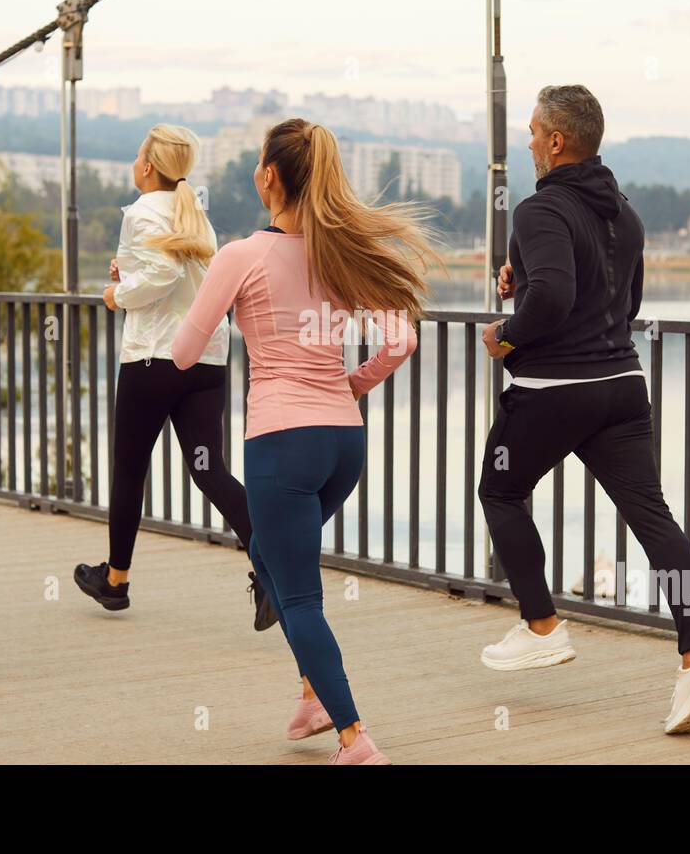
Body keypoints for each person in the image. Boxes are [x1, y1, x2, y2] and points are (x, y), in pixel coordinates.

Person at [172, 118, 437, 764]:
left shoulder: (242, 256)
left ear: (267, 175)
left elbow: (182, 354)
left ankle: (354, 736)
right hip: (343, 442)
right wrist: (354, 382)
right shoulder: (339, 255)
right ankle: (311, 697)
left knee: (296, 594)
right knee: (268, 555)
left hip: (281, 444)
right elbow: (401, 340)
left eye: (259, 162)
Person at [477, 84, 690, 735]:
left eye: (534, 130)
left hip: (552, 392)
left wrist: (505, 335)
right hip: (623, 387)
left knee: (501, 491)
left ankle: (540, 624)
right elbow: (624, 302)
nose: (529, 139)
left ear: (557, 140)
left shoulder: (539, 210)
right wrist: (523, 281)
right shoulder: (625, 213)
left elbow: (557, 298)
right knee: (654, 519)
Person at [73, 123, 276, 631]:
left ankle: (115, 582)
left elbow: (160, 279)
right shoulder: (196, 216)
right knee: (209, 471)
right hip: (204, 360)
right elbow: (174, 276)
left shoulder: (141, 212)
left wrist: (117, 294)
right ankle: (271, 572)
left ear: (147, 165)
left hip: (152, 359)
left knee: (130, 468)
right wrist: (132, 277)